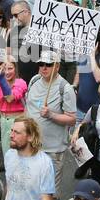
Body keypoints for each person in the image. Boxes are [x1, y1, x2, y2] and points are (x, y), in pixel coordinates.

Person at [25, 51, 78, 181]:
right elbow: (28, 106)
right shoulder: (34, 80)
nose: (44, 67)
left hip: (52, 150)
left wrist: (50, 115)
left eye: (48, 64)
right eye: (41, 64)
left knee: (50, 190)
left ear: (57, 66)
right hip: (32, 145)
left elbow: (72, 120)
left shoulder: (65, 88)